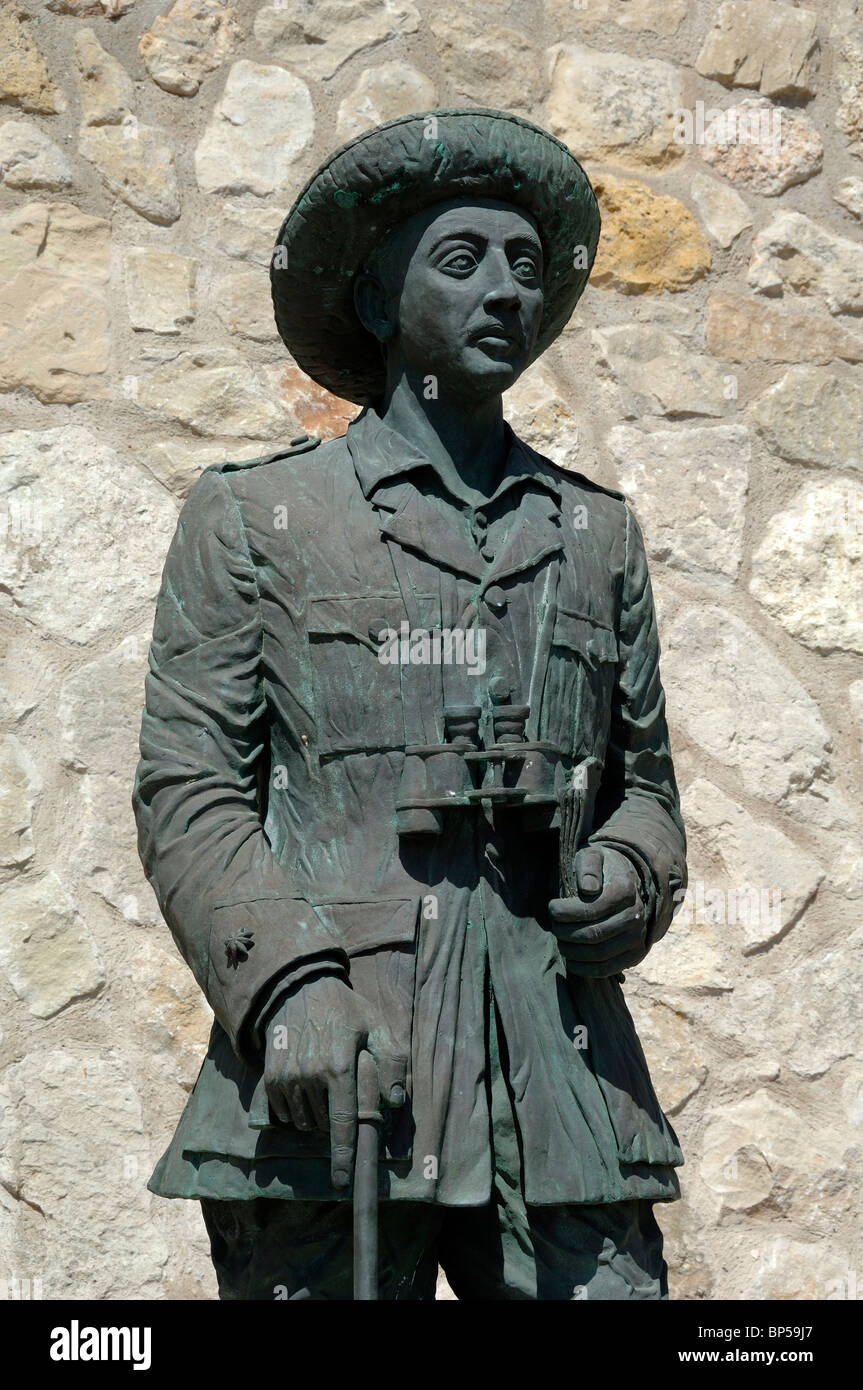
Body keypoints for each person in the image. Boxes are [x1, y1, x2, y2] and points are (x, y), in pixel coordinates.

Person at [133, 108, 687, 1301]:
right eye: (463, 260)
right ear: (383, 308)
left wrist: (630, 874)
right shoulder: (254, 522)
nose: (506, 292)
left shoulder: (597, 535)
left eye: (527, 267)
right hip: (342, 1088)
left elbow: (643, 792)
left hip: (560, 1091)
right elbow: (191, 790)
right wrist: (288, 987)